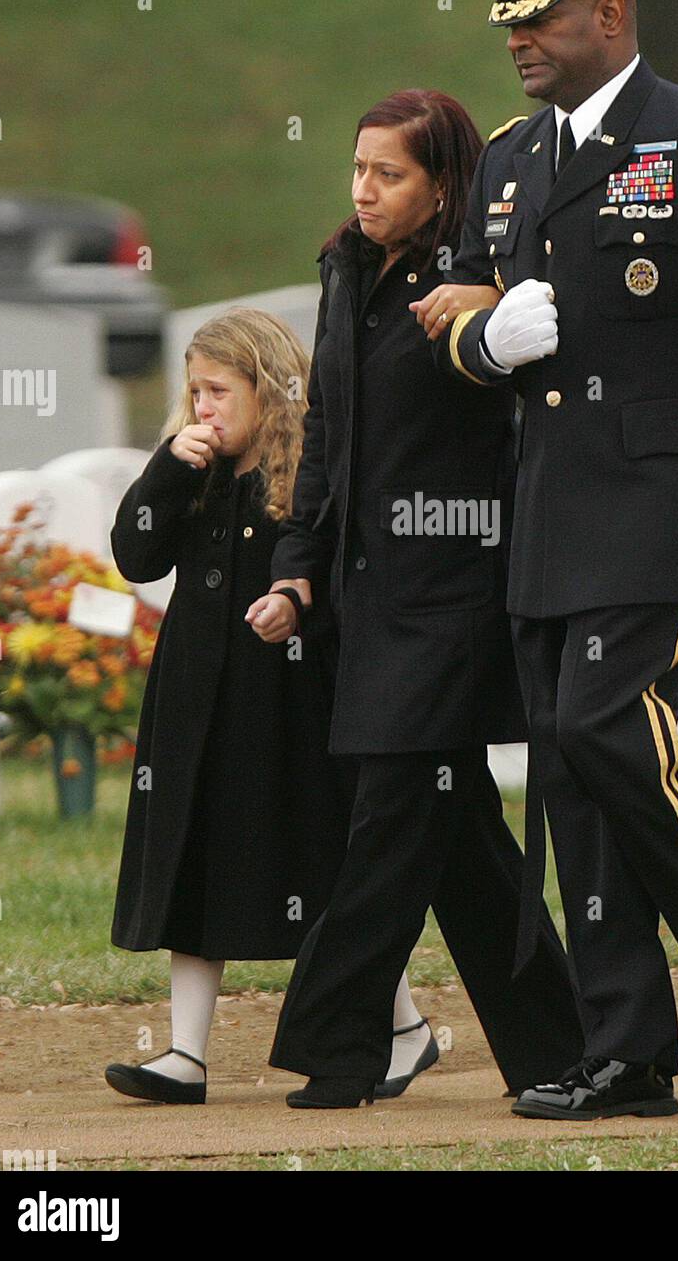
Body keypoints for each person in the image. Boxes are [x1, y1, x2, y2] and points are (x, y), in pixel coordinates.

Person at [417, 0, 678, 1121]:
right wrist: (478, 339)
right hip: (549, 511)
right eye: (506, 21)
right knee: (572, 770)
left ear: (608, 14)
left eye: (538, 18)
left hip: (663, 507)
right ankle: (625, 1049)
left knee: (607, 726)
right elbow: (453, 301)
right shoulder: (509, 159)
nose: (517, 41)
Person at [247, 89, 584, 1109]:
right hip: (365, 600)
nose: (362, 191)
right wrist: (295, 567)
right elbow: (328, 443)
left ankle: (339, 1046)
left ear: (445, 184)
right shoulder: (346, 272)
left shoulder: (477, 280)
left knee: (391, 816)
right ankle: (562, 1049)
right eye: (355, 170)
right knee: (460, 840)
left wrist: (488, 309)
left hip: (455, 598)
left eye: (386, 174)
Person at [104, 308, 417, 1104]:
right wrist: (169, 469)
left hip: (286, 701)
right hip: (192, 700)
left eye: (219, 391)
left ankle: (405, 1027)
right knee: (193, 859)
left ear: (266, 388)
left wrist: (296, 607)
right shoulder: (189, 468)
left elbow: (337, 571)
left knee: (316, 862)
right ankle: (185, 1054)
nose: (203, 408)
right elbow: (135, 554)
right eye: (195, 392)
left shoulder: (308, 467)